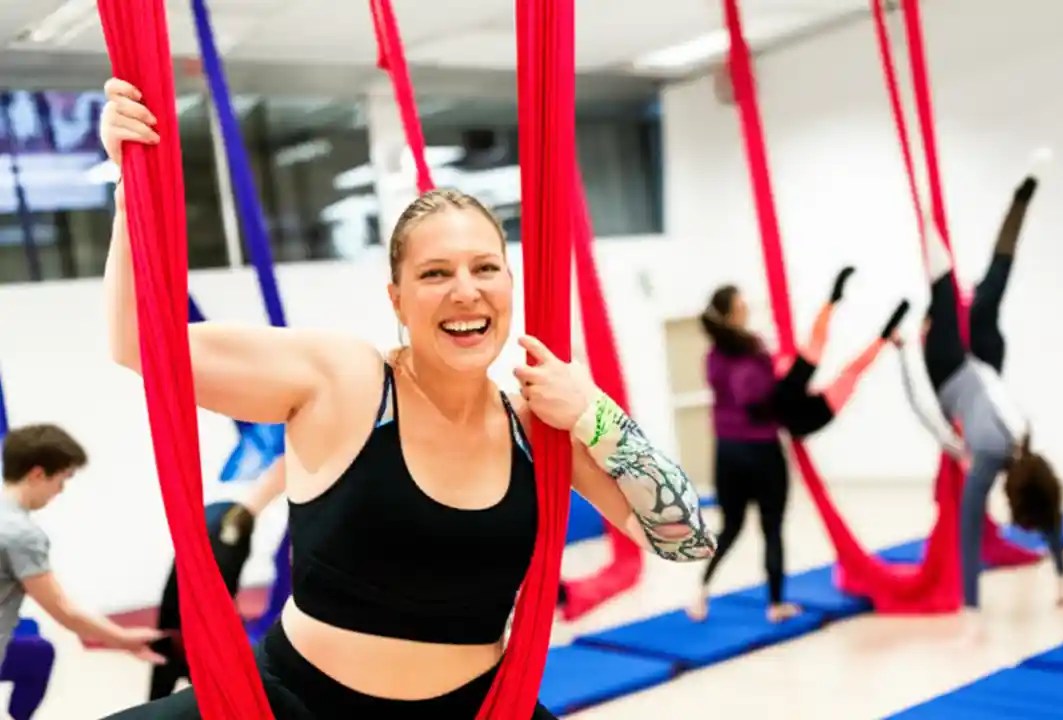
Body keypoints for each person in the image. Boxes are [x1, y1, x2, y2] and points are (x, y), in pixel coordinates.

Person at [98, 77, 714, 719]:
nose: (465, 292)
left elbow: (686, 540)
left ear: (510, 282)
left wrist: (596, 414)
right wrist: (129, 184)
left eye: (484, 268)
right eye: (435, 274)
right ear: (397, 298)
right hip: (298, 704)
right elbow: (141, 345)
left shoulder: (538, 424)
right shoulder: (346, 380)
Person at [889, 174, 1063, 609]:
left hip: (972, 366)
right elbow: (926, 411)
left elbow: (1044, 506)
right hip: (955, 370)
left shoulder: (1023, 430)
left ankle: (926, 208)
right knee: (948, 281)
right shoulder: (982, 454)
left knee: (949, 280)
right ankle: (923, 204)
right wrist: (906, 356)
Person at [689, 271, 908, 623]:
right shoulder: (756, 355)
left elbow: (809, 354)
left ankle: (700, 592)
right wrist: (833, 305)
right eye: (742, 305)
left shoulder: (715, 358)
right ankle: (775, 605)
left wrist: (831, 303)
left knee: (731, 527)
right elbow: (815, 356)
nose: (747, 310)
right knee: (771, 528)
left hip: (729, 450)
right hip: (764, 446)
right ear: (731, 314)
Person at [0, 423, 164, 666]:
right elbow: (64, 610)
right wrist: (123, 639)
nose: (60, 491)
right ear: (37, 474)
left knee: (38, 657)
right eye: (62, 480)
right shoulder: (22, 535)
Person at [148, 458, 287, 699]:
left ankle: (172, 674)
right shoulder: (234, 519)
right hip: (234, 510)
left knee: (182, 608)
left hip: (226, 504)